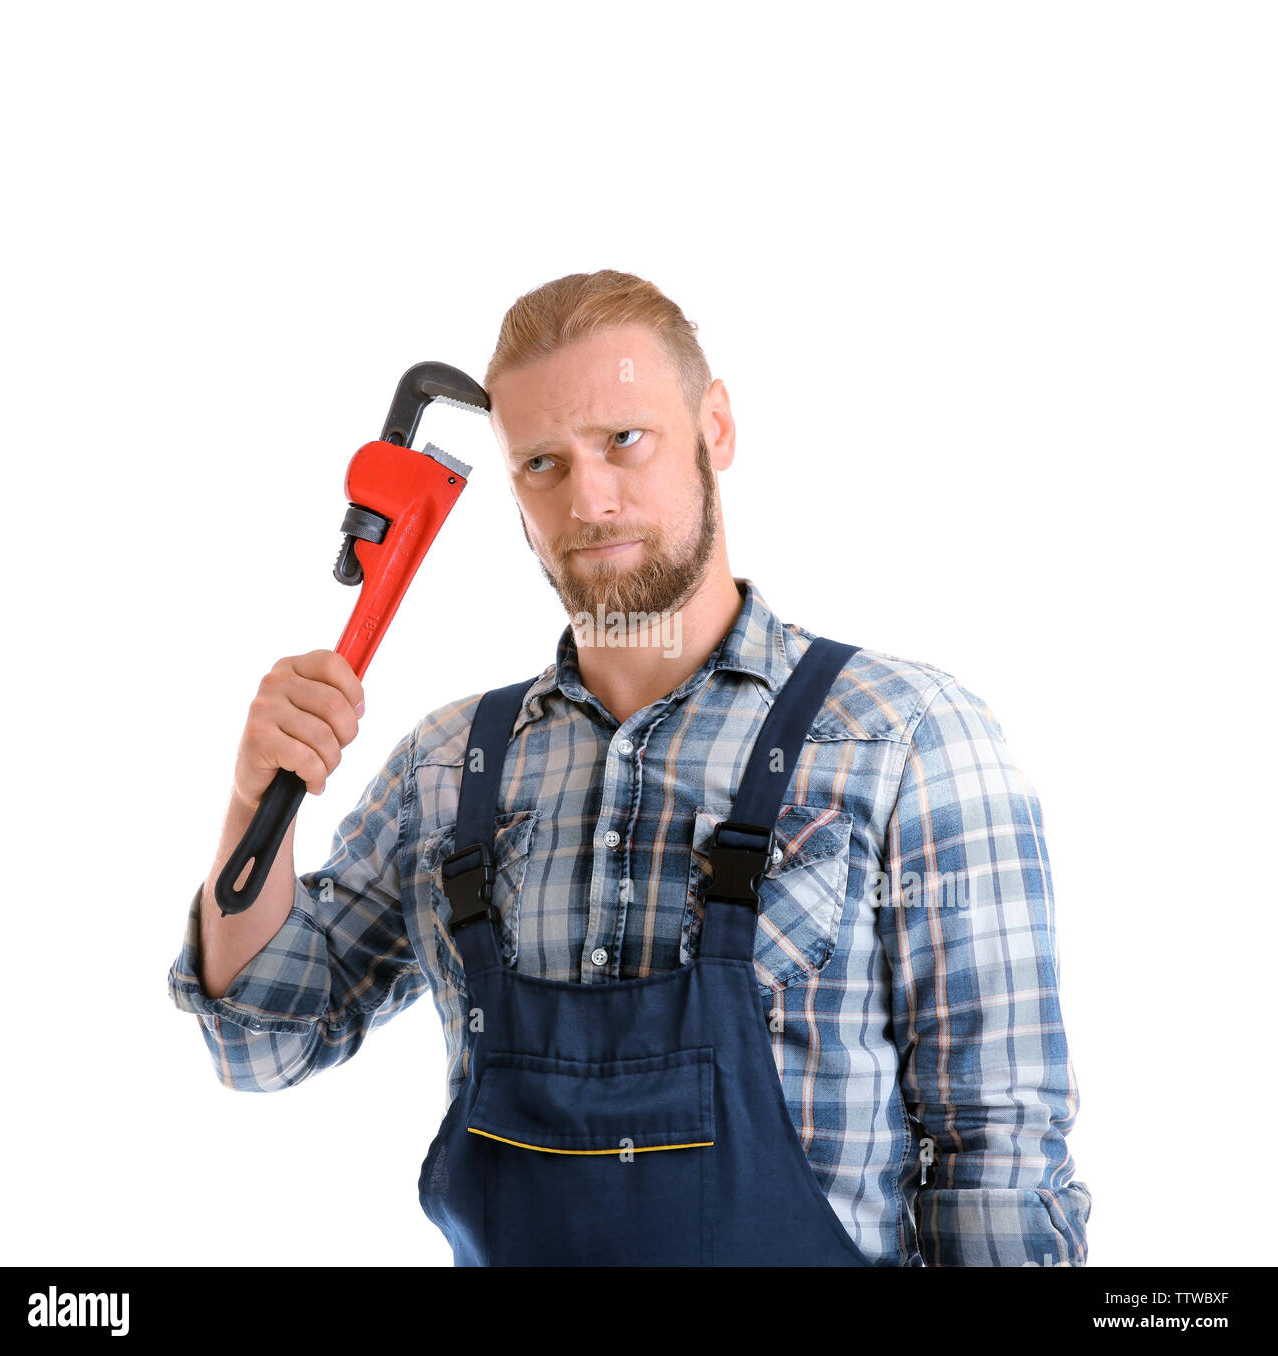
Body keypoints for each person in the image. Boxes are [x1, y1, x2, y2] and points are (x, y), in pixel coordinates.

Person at [168, 269, 1091, 1267]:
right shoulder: (448, 768)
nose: (590, 499)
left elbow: (997, 1164)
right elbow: (262, 1038)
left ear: (715, 427)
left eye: (623, 440)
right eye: (541, 463)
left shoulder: (909, 741)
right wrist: (257, 800)